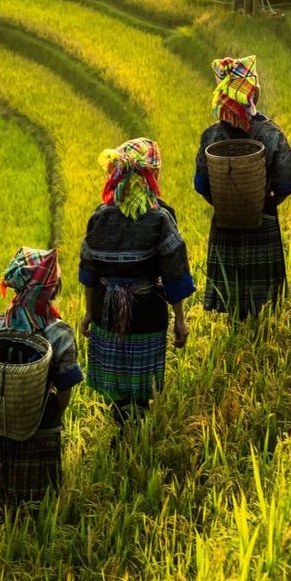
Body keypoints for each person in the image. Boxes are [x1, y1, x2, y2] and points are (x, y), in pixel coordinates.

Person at [79, 137, 195, 427]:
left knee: (116, 383)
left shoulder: (100, 217)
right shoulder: (159, 218)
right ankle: (136, 432)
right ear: (152, 175)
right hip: (146, 311)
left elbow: (88, 271)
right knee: (141, 387)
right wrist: (179, 320)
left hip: (106, 308)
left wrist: (89, 312)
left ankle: (121, 428)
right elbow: (174, 272)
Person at [193, 55, 291, 318]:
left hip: (224, 223)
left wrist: (224, 203)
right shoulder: (271, 134)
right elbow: (286, 182)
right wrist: (265, 204)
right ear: (254, 93)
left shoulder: (211, 136)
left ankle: (237, 331)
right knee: (264, 303)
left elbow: (200, 184)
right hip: (262, 220)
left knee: (233, 297)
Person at [0, 246, 83, 509]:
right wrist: (54, 413)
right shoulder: (58, 333)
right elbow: (65, 385)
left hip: (2, 418)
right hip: (41, 418)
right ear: (51, 289)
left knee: (4, 488)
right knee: (42, 495)